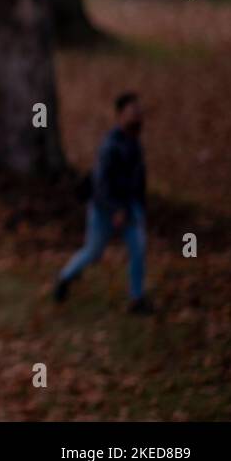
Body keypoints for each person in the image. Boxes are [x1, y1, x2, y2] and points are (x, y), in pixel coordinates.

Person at [54, 93, 151, 314]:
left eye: (139, 112)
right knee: (93, 252)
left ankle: (137, 299)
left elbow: (139, 179)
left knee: (138, 250)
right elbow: (101, 184)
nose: (137, 117)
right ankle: (65, 277)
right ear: (120, 116)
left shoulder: (135, 143)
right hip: (104, 210)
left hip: (130, 207)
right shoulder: (110, 147)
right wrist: (115, 209)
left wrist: (140, 206)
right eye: (132, 113)